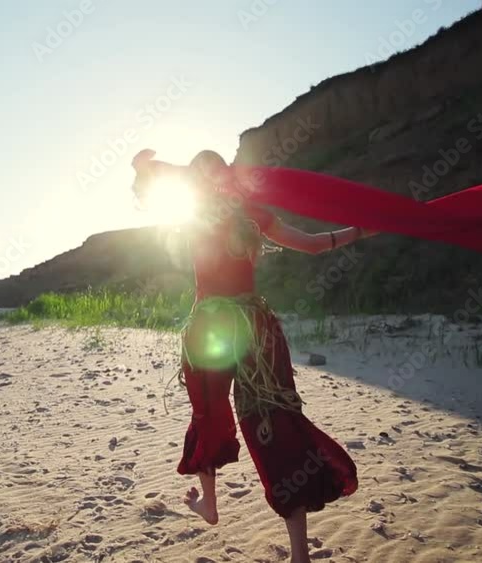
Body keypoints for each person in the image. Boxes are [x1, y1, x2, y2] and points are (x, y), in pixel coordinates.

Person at [132, 149, 377, 562]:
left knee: (211, 414)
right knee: (274, 419)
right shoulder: (251, 214)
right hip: (252, 328)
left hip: (210, 328)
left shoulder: (193, 214)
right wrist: (357, 232)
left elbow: (147, 195)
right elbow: (314, 245)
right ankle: (299, 552)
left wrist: (144, 168)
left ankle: (210, 504)